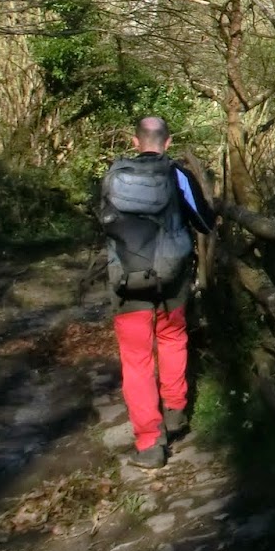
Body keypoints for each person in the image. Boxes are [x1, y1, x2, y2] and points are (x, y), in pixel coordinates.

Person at [97, 115, 216, 469]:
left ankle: (149, 445)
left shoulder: (112, 176)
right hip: (171, 279)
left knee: (136, 361)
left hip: (127, 281)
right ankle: (175, 414)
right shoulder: (177, 175)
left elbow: (102, 223)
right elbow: (206, 223)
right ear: (168, 141)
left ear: (135, 142)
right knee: (172, 339)